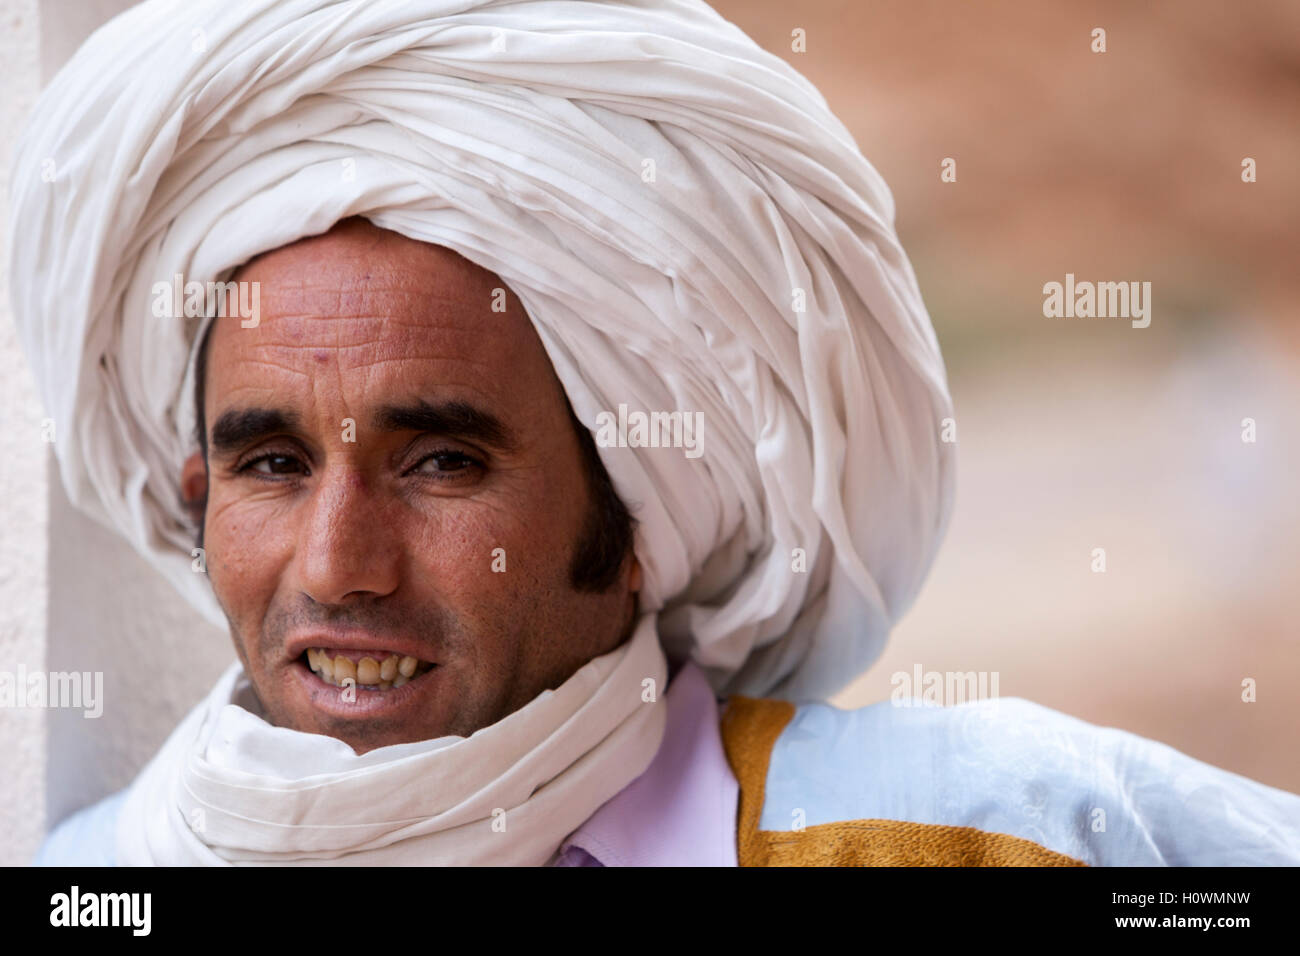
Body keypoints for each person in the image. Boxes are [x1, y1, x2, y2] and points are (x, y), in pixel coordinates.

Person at [12, 0, 1299, 866]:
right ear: (195, 494)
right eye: (273, 463)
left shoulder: (999, 827)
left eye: (442, 461)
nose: (338, 562)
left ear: (635, 520)